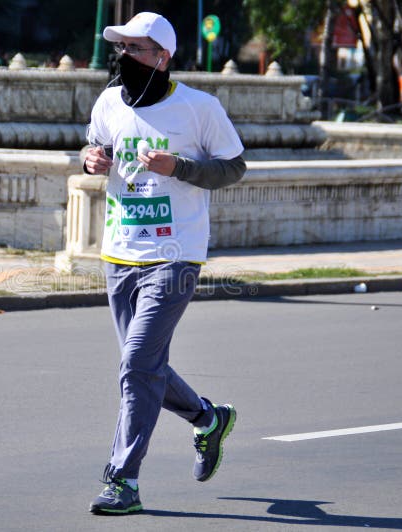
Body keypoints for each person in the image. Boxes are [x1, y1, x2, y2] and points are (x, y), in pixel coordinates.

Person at [83, 12, 247, 515]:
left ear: (162, 57)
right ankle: (207, 418)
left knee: (136, 365)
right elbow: (94, 146)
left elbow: (234, 166)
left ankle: (122, 480)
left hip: (175, 257)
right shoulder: (110, 101)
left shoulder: (200, 108)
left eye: (136, 48)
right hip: (119, 252)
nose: (124, 56)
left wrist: (180, 167)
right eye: (123, 47)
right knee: (145, 366)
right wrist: (91, 159)